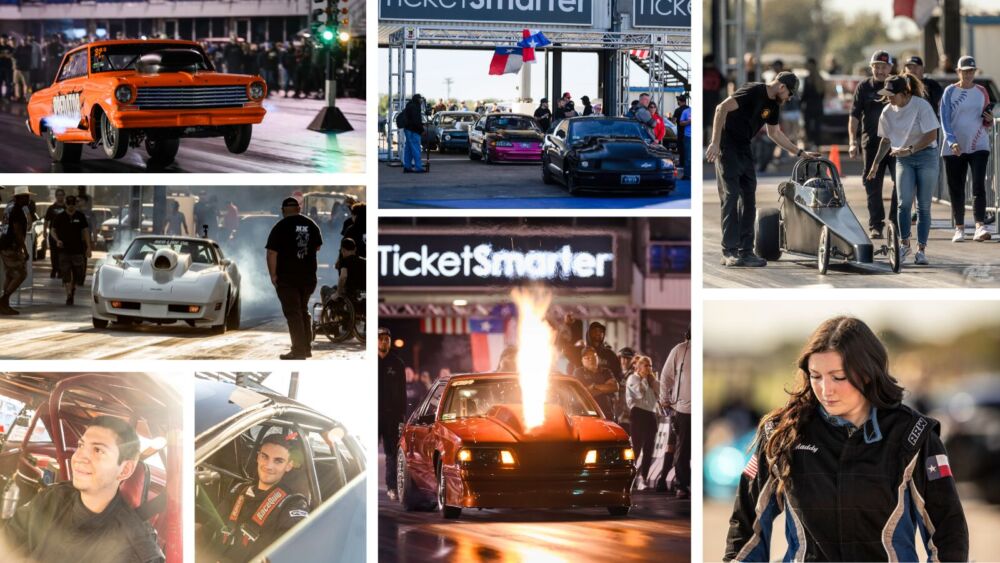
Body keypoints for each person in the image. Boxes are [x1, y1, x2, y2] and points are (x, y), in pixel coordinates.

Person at [724, 316, 968, 561]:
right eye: (815, 376)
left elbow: (948, 533)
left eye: (838, 377)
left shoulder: (914, 435)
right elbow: (745, 529)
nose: (825, 389)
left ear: (867, 373)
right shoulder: (783, 433)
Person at [2, 416, 165, 562]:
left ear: (125, 470)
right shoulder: (52, 496)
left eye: (98, 450)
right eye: (80, 446)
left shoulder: (137, 552)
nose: (79, 457)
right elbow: (6, 540)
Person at [706, 72, 821, 267]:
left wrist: (800, 152)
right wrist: (715, 142)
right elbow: (721, 108)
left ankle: (746, 251)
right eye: (790, 94)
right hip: (727, 146)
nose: (789, 98)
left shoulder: (773, 106)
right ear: (782, 87)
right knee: (731, 196)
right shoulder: (753, 90)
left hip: (744, 147)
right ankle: (729, 251)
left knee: (749, 198)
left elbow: (774, 133)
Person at [866, 74, 939, 266]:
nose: (889, 98)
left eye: (892, 95)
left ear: (905, 93)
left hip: (926, 157)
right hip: (903, 159)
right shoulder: (887, 111)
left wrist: (911, 149)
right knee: (903, 203)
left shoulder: (921, 106)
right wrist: (875, 164)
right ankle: (905, 243)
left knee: (923, 206)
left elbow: (932, 134)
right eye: (886, 94)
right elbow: (886, 140)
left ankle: (921, 249)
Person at [217, 433, 310, 563]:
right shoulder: (239, 490)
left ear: (288, 465)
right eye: (264, 457)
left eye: (278, 461)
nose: (268, 466)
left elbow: (294, 552)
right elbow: (209, 526)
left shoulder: (293, 504)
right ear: (258, 457)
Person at [941, 55, 994, 243]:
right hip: (955, 146)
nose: (968, 74)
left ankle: (980, 226)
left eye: (971, 71)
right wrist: (951, 141)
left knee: (978, 185)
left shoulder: (982, 91)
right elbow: (944, 119)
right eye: (965, 71)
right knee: (956, 188)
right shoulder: (949, 91)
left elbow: (986, 121)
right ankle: (960, 228)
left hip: (979, 144)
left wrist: (989, 119)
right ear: (958, 72)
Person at [850, 51, 899, 240]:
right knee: (872, 184)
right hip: (871, 144)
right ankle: (876, 225)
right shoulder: (864, 87)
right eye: (876, 66)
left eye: (884, 67)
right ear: (871, 67)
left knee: (901, 182)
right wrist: (852, 141)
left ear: (890, 68)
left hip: (896, 144)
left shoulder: (897, 84)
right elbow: (854, 116)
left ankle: (895, 221)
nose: (880, 70)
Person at [266, 197, 322, 360]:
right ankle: (306, 348)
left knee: (293, 313)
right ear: (299, 209)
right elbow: (317, 247)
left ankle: (298, 351)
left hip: (287, 279)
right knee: (302, 310)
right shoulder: (311, 224)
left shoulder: (280, 227)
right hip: (308, 278)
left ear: (283, 211)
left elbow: (271, 252)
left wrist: (273, 275)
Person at [659, 327, 691, 498]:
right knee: (683, 449)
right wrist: (664, 400)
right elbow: (666, 377)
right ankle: (682, 485)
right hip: (683, 410)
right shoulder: (680, 350)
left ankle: (687, 484)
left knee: (687, 449)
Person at [378, 327, 406, 501]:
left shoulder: (397, 363)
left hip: (391, 416)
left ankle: (392, 487)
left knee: (391, 454)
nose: (383, 342)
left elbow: (403, 392)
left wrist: (402, 417)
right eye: (380, 339)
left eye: (386, 339)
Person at [51, 195, 91, 306]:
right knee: (66, 273)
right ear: (66, 204)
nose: (71, 206)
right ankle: (69, 294)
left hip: (78, 250)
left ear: (75, 204)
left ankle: (72, 289)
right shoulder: (60, 217)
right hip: (64, 250)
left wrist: (89, 247)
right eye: (69, 204)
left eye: (73, 204)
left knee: (77, 273)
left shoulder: (80, 216)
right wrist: (57, 240)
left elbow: (86, 231)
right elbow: (53, 230)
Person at [0, 186, 34, 315]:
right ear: (19, 198)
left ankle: (5, 305)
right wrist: (25, 250)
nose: (28, 199)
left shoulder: (9, 207)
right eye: (26, 197)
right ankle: (3, 300)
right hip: (11, 246)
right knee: (21, 274)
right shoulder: (17, 210)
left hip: (5, 244)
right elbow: (17, 232)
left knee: (10, 274)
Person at [626, 355, 659, 487]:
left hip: (651, 414)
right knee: (636, 448)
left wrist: (653, 381)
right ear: (638, 367)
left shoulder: (651, 379)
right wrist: (645, 379)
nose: (649, 368)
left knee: (649, 449)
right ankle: (630, 478)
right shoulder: (633, 378)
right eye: (646, 365)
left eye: (650, 365)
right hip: (638, 413)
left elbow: (660, 393)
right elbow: (639, 393)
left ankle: (643, 477)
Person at [572, 346, 618, 419]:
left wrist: (594, 386)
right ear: (582, 360)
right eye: (587, 358)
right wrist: (604, 389)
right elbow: (581, 393)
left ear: (598, 358)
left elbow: (614, 387)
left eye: (594, 357)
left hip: (607, 413)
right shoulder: (578, 372)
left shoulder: (606, 371)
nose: (591, 360)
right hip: (586, 414)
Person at [801, 58, 826, 151]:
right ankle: (816, 144)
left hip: (809, 106)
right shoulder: (820, 79)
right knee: (817, 127)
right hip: (818, 106)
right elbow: (823, 95)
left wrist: (800, 104)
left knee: (808, 126)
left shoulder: (808, 79)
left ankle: (810, 143)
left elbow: (804, 95)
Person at [44, 188, 67, 278]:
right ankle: (54, 269)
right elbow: (46, 220)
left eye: (61, 195)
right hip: (53, 234)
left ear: (64, 196)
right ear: (56, 196)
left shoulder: (66, 207)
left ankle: (60, 270)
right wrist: (44, 232)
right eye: (58, 195)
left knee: (62, 253)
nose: (60, 197)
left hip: (64, 234)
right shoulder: (51, 208)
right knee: (53, 253)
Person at [703, 54, 727, 140]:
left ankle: (704, 139)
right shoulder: (716, 71)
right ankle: (711, 139)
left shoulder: (703, 71)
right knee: (712, 120)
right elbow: (723, 83)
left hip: (704, 98)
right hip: (714, 98)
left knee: (704, 121)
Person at [401, 93, 426, 173]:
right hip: (413, 131)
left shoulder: (409, 105)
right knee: (416, 149)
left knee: (408, 149)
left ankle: (407, 167)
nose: (421, 101)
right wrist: (422, 130)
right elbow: (416, 121)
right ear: (417, 99)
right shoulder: (415, 107)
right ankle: (418, 167)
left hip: (408, 129)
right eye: (420, 99)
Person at [672, 95, 689, 172]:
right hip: (688, 133)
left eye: (678, 100)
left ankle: (682, 163)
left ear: (679, 101)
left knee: (681, 148)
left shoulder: (677, 110)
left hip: (681, 132)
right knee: (687, 149)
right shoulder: (689, 109)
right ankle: (687, 164)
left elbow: (673, 121)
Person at [680, 103, 692, 180]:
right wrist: (688, 122)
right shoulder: (686, 111)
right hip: (688, 136)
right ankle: (687, 175)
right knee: (688, 157)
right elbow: (681, 123)